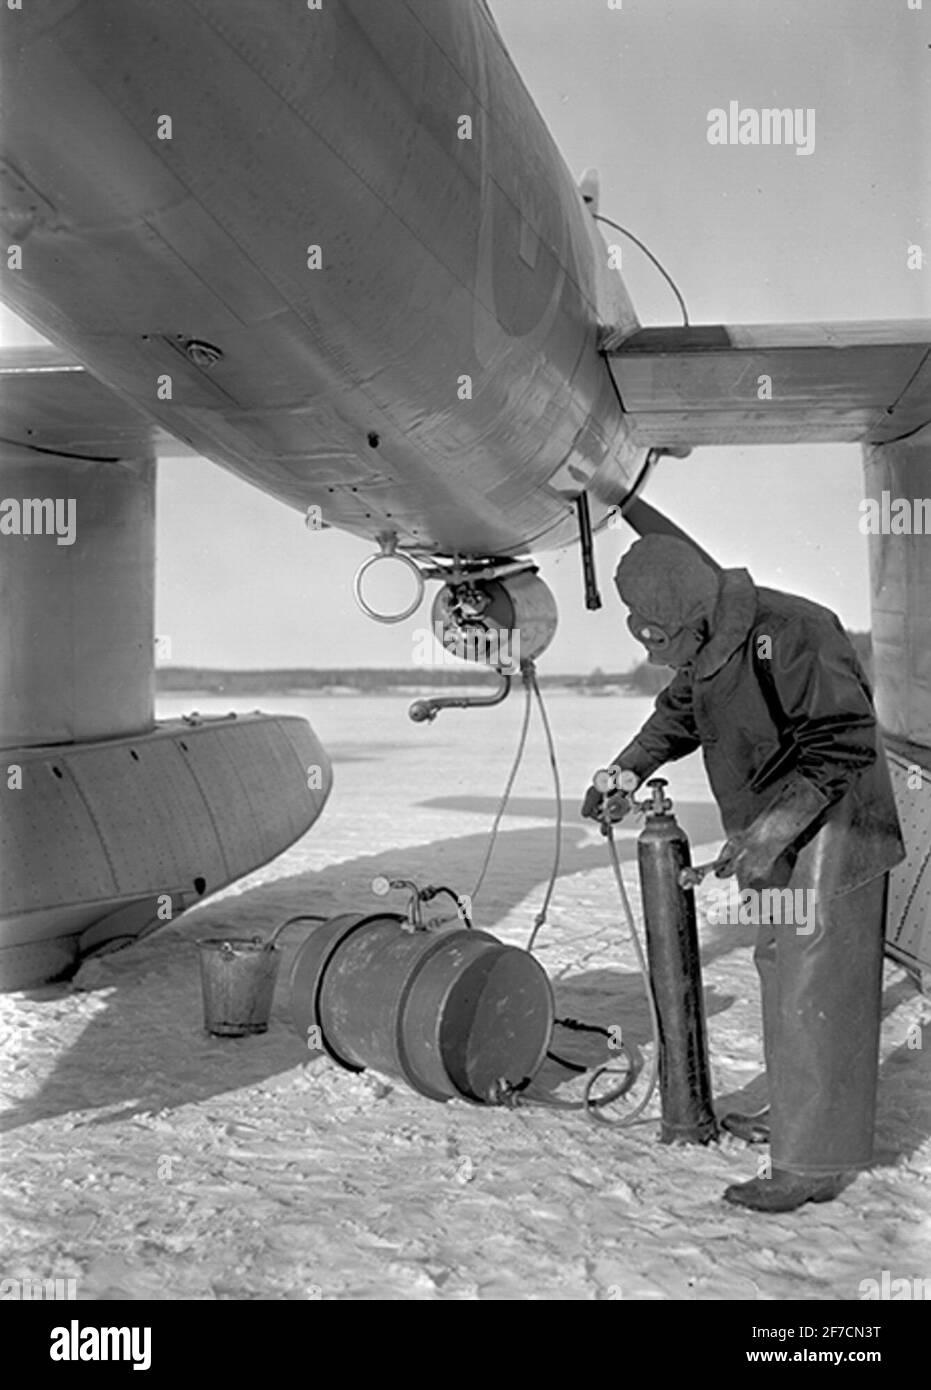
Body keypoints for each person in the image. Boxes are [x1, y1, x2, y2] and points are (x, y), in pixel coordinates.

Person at [581, 534, 905, 1212]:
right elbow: (677, 714)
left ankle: (813, 1161)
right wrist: (626, 768)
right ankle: (798, 1116)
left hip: (834, 826)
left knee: (815, 986)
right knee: (777, 972)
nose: (666, 653)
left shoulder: (793, 629)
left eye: (665, 637)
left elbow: (840, 743)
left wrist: (768, 833)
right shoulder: (706, 643)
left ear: (693, 614)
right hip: (772, 833)